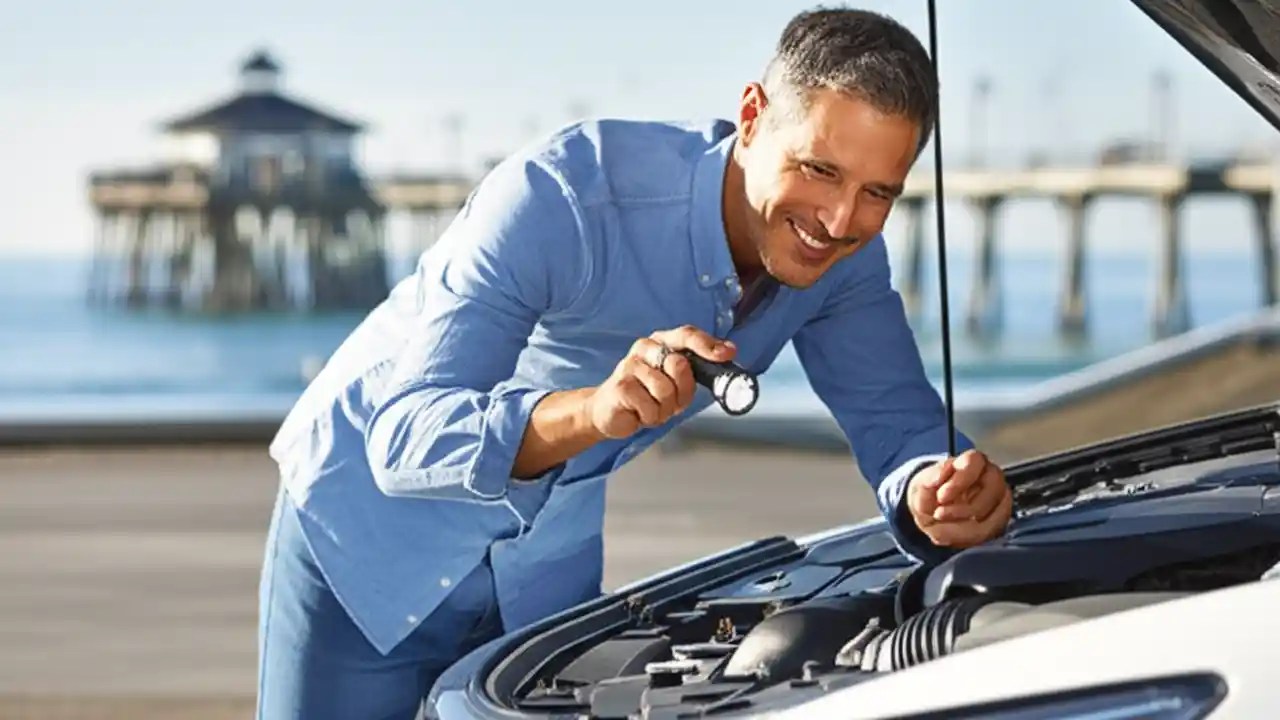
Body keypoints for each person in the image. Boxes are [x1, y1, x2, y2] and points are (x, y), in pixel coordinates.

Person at [255, 6, 1013, 718]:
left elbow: (901, 428)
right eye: (818, 170)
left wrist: (934, 491)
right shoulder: (561, 195)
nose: (841, 221)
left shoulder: (845, 260)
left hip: (542, 570)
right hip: (362, 543)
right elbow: (406, 439)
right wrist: (595, 410)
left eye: (877, 192)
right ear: (752, 118)